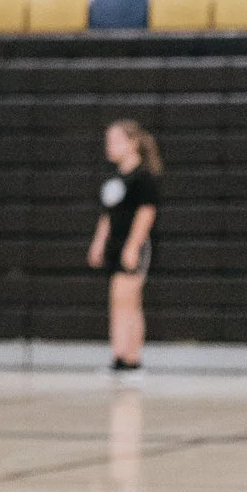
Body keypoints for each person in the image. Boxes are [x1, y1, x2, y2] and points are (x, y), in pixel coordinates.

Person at [89, 116, 162, 373]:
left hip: (133, 246)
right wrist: (99, 243)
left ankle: (130, 358)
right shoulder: (114, 178)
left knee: (128, 299)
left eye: (115, 141)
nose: (109, 146)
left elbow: (146, 214)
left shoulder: (143, 178)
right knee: (118, 300)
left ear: (132, 143)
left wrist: (132, 246)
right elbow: (107, 215)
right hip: (114, 245)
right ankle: (121, 355)